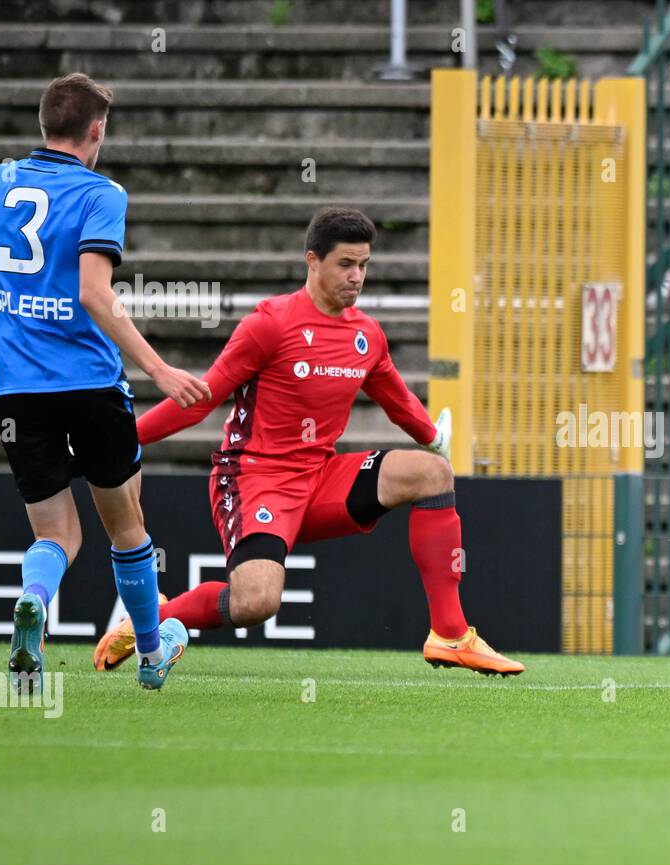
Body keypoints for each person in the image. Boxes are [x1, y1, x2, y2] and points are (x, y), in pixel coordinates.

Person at [93, 206, 525, 676]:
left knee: (431, 473)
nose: (356, 276)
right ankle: (150, 621)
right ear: (313, 261)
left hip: (320, 477)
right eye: (345, 264)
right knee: (257, 602)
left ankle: (450, 634)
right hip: (255, 478)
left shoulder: (366, 336)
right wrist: (127, 438)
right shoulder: (270, 324)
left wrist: (434, 437)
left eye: (363, 265)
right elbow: (201, 400)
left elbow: (398, 401)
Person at [0, 73, 209, 691]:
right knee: (127, 528)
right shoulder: (102, 193)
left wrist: (6, 298)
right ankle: (151, 656)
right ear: (96, 130)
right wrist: (158, 368)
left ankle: (36, 605)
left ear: (46, 123)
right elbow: (94, 292)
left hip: (18, 389)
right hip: (91, 382)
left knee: (55, 533)